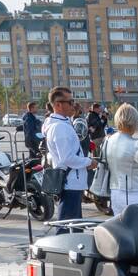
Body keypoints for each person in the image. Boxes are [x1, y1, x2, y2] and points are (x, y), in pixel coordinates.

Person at [43, 86, 94, 221]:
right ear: (58, 105)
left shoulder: (63, 123)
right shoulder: (59, 127)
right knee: (68, 226)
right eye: (70, 102)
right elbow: (67, 158)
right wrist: (89, 162)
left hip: (72, 180)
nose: (74, 105)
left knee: (73, 225)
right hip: (69, 181)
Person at [99, 102, 138, 214]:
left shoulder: (107, 141)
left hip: (115, 191)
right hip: (136, 193)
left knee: (120, 228)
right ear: (135, 121)